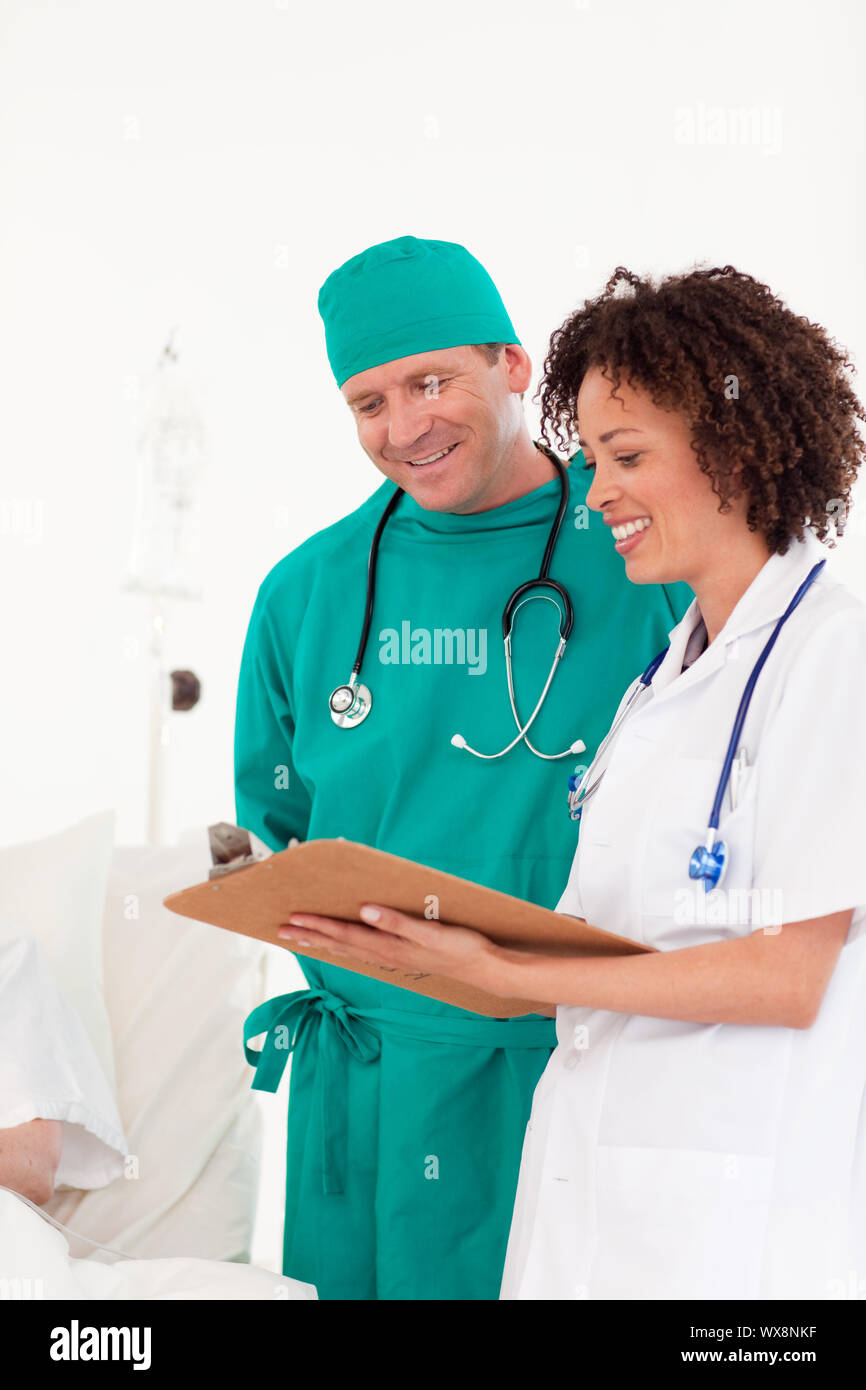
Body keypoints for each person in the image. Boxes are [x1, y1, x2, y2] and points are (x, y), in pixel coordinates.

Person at [280, 264, 866, 1300]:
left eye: (626, 455)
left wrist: (511, 977)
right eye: (593, 456)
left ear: (731, 445)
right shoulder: (666, 679)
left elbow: (788, 974)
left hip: (730, 1205)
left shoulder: (832, 654)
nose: (596, 493)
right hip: (599, 1177)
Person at [234, 236, 692, 1300]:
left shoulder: (644, 547)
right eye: (367, 402)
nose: (403, 427)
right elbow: (277, 823)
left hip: (571, 1054)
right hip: (375, 1078)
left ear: (515, 366)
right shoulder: (305, 592)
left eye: (431, 381)